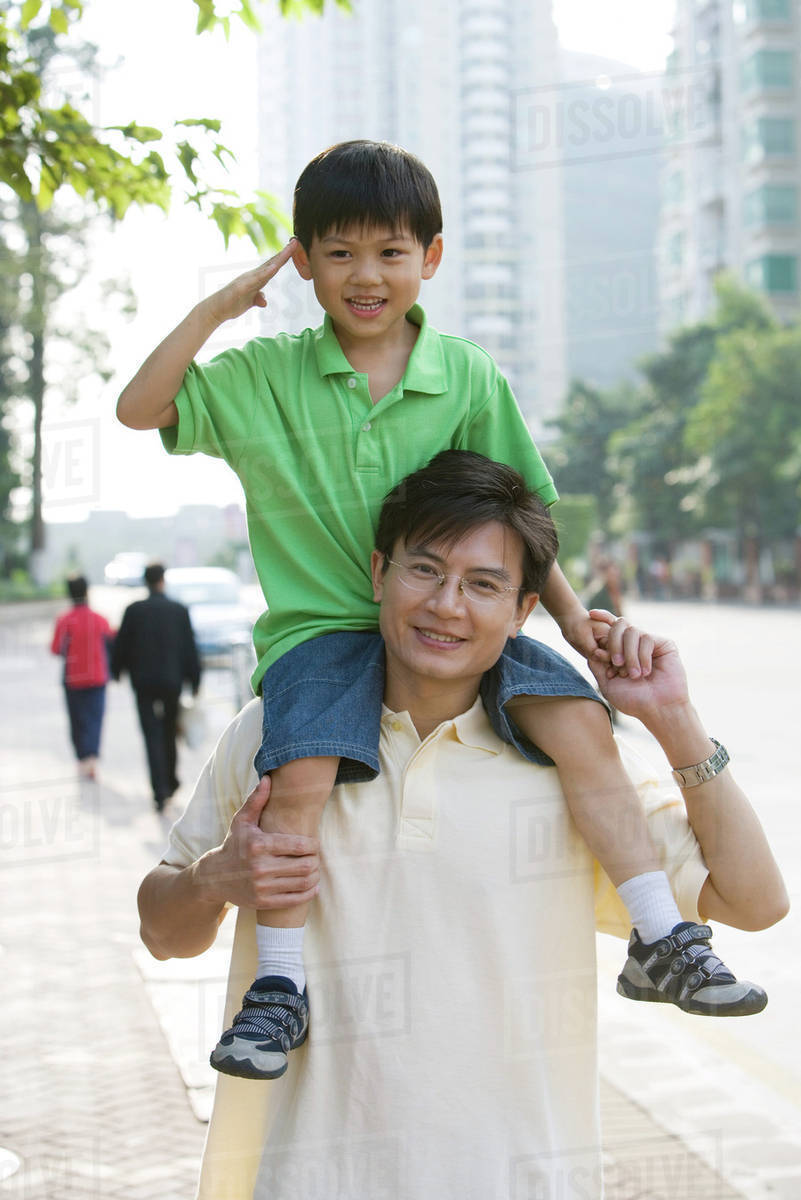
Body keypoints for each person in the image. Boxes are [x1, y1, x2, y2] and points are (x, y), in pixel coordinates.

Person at [118, 140, 730, 1077]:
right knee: (304, 767)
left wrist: (569, 622)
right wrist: (214, 309)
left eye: (391, 252)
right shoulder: (262, 374)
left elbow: (526, 518)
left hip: (454, 627)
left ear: (430, 258)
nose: (366, 275)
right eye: (340, 252)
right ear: (303, 259)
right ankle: (277, 987)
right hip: (322, 634)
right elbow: (137, 407)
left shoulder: (466, 373)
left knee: (580, 722)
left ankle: (658, 935)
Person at [137, 453, 787, 1200]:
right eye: (425, 570)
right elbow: (163, 932)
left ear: (522, 610)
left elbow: (753, 901)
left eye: (483, 584)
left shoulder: (573, 760)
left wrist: (673, 721)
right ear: (380, 572)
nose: (447, 605)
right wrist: (215, 878)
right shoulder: (278, 737)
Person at [111, 562, 201, 811]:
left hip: (143, 683)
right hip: (172, 682)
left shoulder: (134, 611)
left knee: (151, 734)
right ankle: (170, 781)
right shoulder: (179, 611)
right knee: (170, 731)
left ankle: (159, 790)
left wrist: (117, 671)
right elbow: (189, 648)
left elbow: (121, 645)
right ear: (163, 580)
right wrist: (195, 680)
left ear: (146, 581)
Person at [50, 574, 114, 779]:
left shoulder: (64, 620)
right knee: (95, 719)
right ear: (87, 591)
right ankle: (92, 759)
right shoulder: (100, 619)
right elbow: (112, 641)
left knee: (77, 721)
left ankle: (82, 759)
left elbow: (55, 648)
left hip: (73, 679)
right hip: (97, 677)